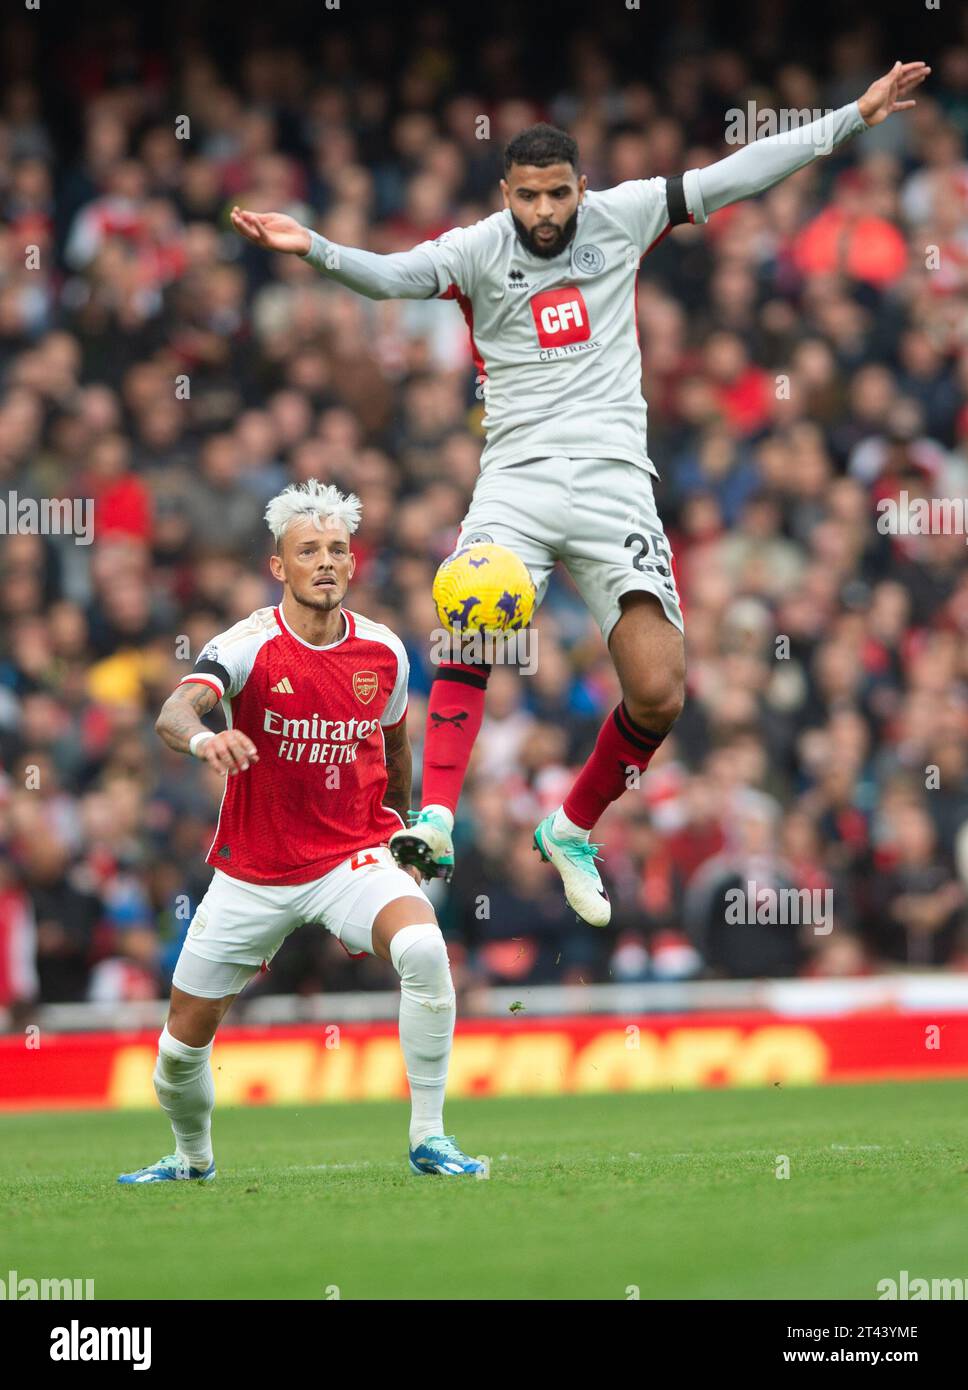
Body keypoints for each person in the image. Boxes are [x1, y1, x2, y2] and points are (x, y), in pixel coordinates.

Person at [231, 61, 929, 929]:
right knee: (476, 612)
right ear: (507, 192)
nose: (545, 214)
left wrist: (851, 119)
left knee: (661, 692)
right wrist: (319, 251)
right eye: (528, 197)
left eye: (558, 194)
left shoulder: (623, 216)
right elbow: (393, 275)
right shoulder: (477, 248)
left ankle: (570, 829)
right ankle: (437, 818)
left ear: (580, 186)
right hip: (517, 480)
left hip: (614, 488)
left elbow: (736, 175)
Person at [118, 479, 483, 1182]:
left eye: (338, 550)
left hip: (352, 855)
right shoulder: (248, 645)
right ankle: (192, 1160)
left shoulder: (384, 653)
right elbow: (174, 712)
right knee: (177, 1055)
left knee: (424, 950)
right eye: (307, 550)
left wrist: (406, 835)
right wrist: (205, 743)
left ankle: (431, 1138)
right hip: (255, 870)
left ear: (353, 564)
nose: (325, 561)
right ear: (278, 567)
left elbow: (396, 748)